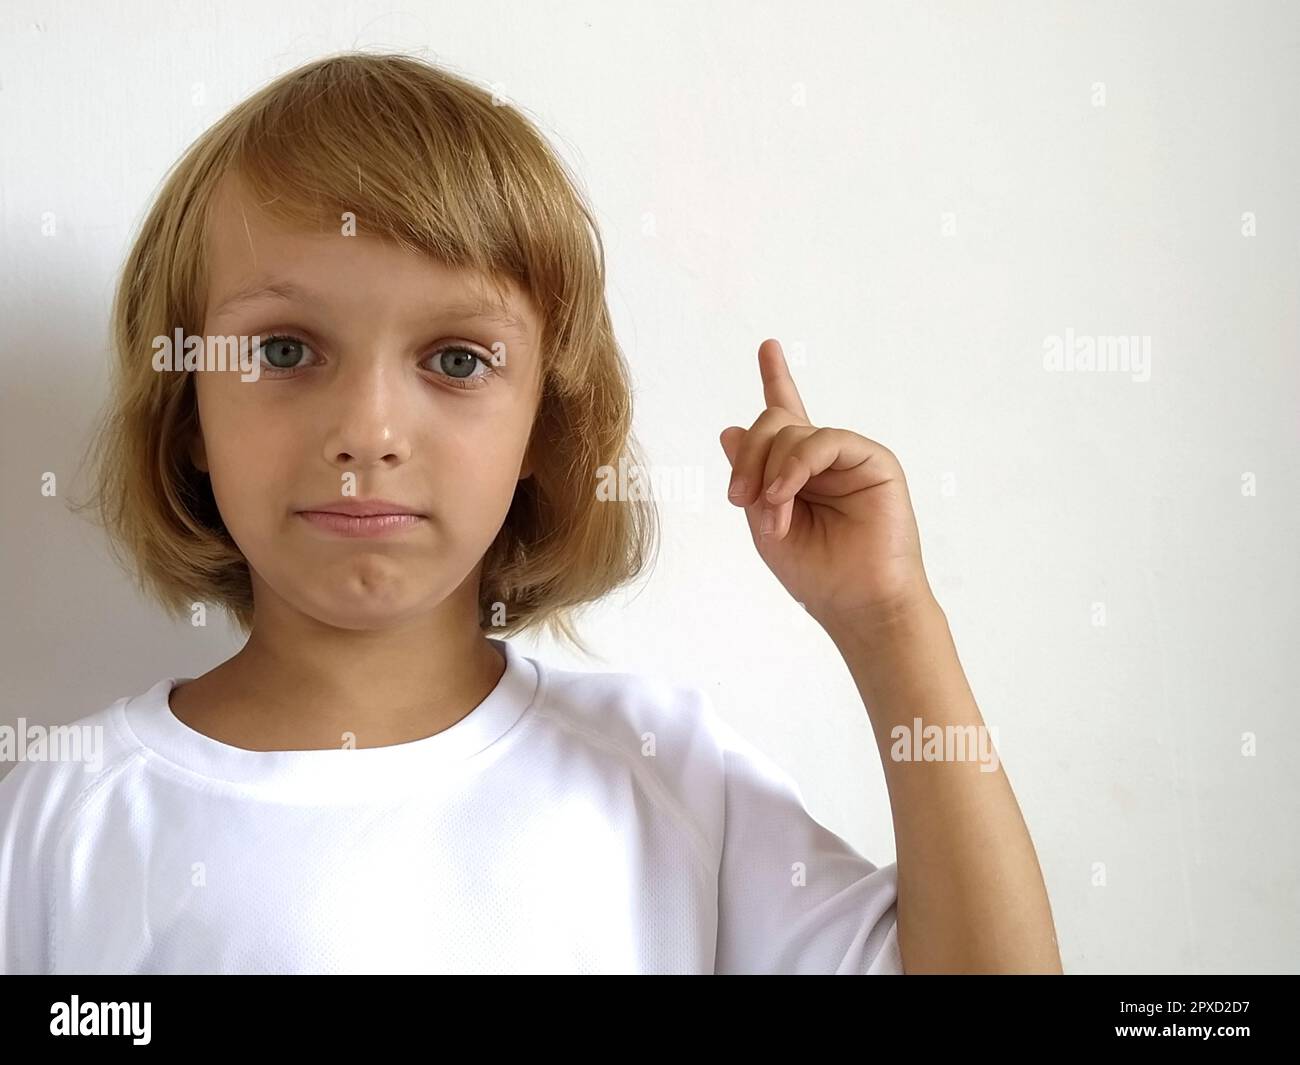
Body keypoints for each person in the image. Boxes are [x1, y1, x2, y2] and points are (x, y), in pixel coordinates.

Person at [0, 52, 1060, 975]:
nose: (368, 431)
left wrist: (888, 619)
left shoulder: (666, 778)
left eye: (456, 360)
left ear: (541, 434)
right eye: (283, 351)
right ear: (186, 409)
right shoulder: (57, 816)